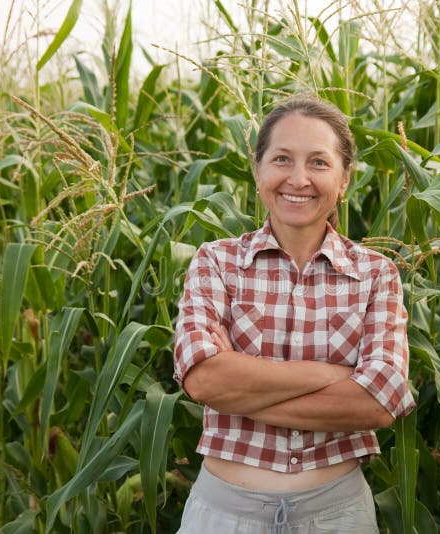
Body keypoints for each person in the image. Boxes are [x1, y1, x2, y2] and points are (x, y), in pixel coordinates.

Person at [173, 94, 415, 533]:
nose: (298, 179)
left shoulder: (376, 274)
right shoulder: (216, 262)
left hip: (338, 517)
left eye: (319, 162)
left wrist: (238, 391)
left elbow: (380, 402)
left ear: (345, 178)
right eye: (282, 159)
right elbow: (204, 380)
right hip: (223, 516)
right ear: (258, 169)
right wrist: (332, 375)